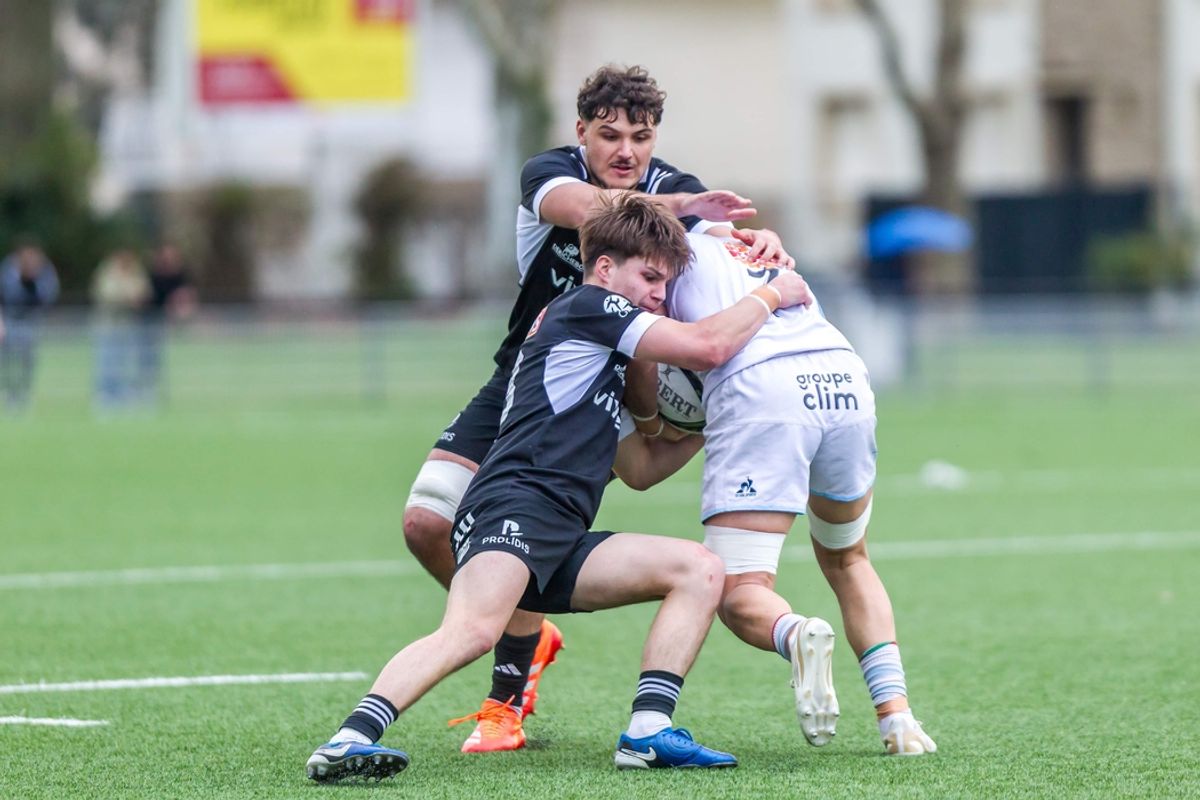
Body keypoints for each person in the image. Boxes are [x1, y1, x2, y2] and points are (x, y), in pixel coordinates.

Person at [305, 195, 814, 783]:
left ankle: (647, 733)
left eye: (666, 282)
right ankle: (348, 739)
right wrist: (774, 292)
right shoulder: (586, 307)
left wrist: (716, 421)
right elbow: (707, 347)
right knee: (472, 630)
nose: (658, 293)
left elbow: (643, 468)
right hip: (511, 505)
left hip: (561, 532)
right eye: (649, 276)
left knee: (699, 570)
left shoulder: (604, 356)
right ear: (603, 269)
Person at [400, 63, 793, 751]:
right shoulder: (549, 171)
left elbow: (721, 247)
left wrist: (759, 246)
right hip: (523, 378)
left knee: (613, 487)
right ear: (580, 132)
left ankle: (508, 694)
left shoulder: (673, 188)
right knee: (425, 520)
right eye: (608, 135)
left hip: (614, 387)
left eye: (640, 138)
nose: (625, 152)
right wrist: (690, 212)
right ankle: (528, 618)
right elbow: (586, 211)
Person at [664, 234, 938, 756]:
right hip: (842, 378)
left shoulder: (654, 249)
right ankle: (896, 716)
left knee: (738, 589)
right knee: (849, 558)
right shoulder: (744, 242)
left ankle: (796, 634)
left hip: (762, 386)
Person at [0, 240, 60, 410]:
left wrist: (32, 282)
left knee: (27, 359)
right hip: (10, 319)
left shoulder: (43, 270)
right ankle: (10, 393)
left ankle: (24, 393)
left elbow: (47, 295)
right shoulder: (8, 270)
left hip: (30, 321)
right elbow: (7, 294)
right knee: (8, 360)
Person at [91, 248, 150, 409]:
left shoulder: (136, 272)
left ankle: (124, 393)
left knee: (126, 361)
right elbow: (107, 294)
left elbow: (143, 292)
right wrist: (127, 297)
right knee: (108, 361)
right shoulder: (107, 272)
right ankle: (106, 394)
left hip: (129, 326)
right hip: (109, 327)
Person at [138, 243, 197, 404]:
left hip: (171, 323)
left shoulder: (182, 276)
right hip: (151, 321)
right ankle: (148, 391)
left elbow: (186, 299)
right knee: (148, 358)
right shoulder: (152, 275)